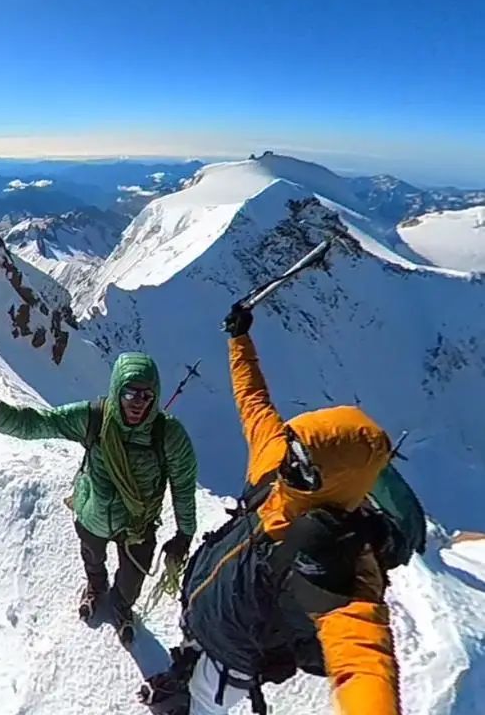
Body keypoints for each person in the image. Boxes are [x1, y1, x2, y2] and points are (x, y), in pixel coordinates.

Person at [140, 305, 399, 715]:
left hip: (233, 658)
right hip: (205, 605)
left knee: (206, 707)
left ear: (337, 481)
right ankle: (185, 666)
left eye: (304, 466)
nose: (289, 465)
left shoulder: (335, 562)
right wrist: (239, 341)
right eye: (295, 448)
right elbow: (254, 401)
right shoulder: (275, 460)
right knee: (192, 645)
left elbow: (364, 664)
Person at [0, 352, 198, 646]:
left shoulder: (169, 436)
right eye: (130, 393)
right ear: (117, 390)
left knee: (131, 579)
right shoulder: (94, 418)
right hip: (92, 514)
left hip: (137, 526)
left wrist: (185, 534)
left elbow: (183, 486)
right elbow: (37, 423)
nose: (138, 403)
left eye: (147, 395)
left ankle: (120, 606)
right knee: (92, 559)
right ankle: (96, 589)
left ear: (156, 395)